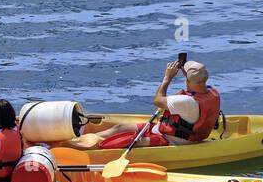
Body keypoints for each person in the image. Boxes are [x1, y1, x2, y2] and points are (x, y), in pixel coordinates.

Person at [85, 59, 223, 146]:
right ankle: (91, 137)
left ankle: (91, 145)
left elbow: (157, 101)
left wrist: (167, 78)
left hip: (169, 140)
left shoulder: (186, 101)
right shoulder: (211, 92)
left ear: (188, 80)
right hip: (174, 133)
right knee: (119, 127)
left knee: (127, 141)